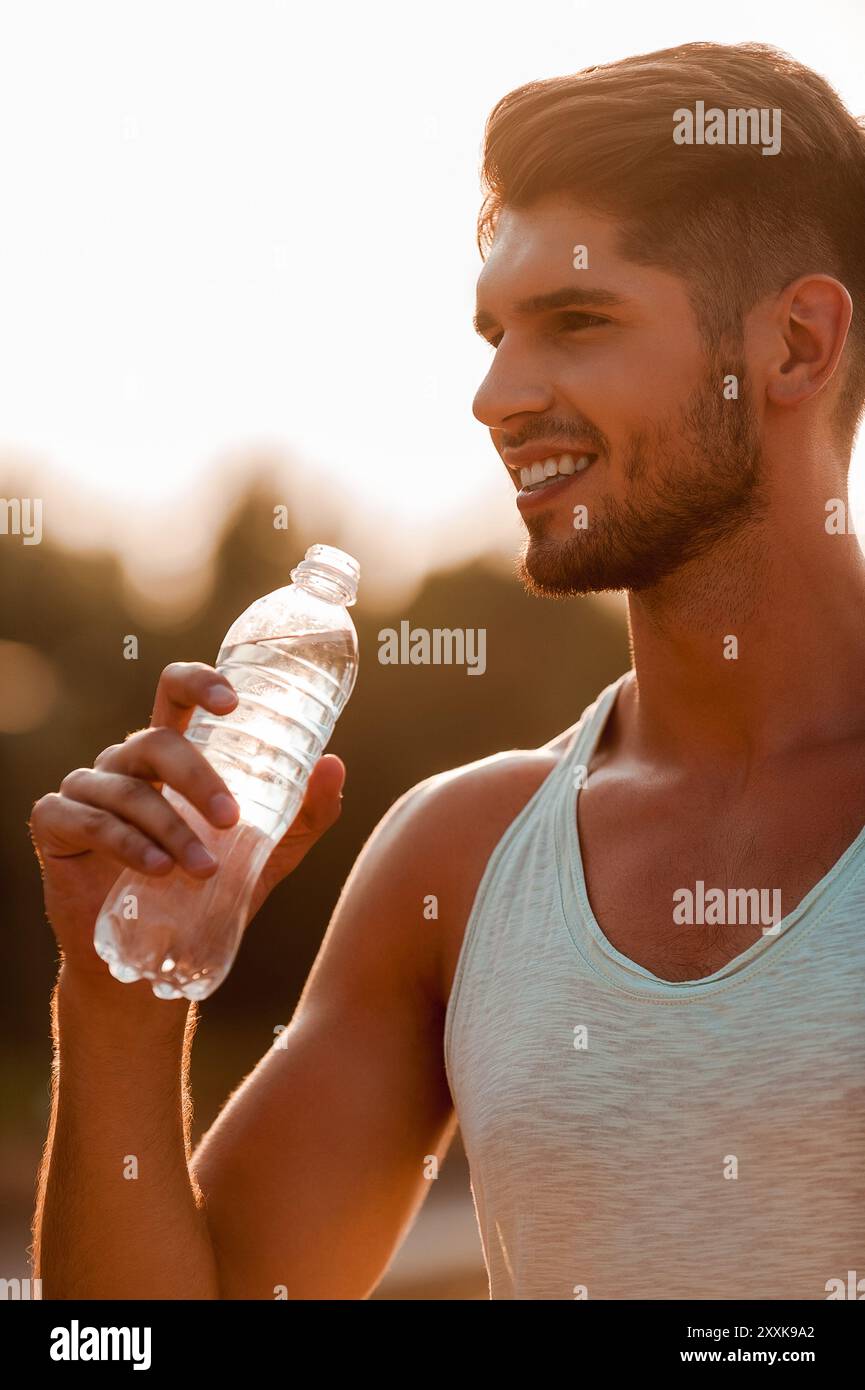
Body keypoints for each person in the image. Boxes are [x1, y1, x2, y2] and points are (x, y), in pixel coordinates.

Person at [30, 41, 865, 1300]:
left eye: (576, 322)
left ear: (796, 347)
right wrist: (117, 1000)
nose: (495, 394)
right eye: (493, 333)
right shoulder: (460, 862)